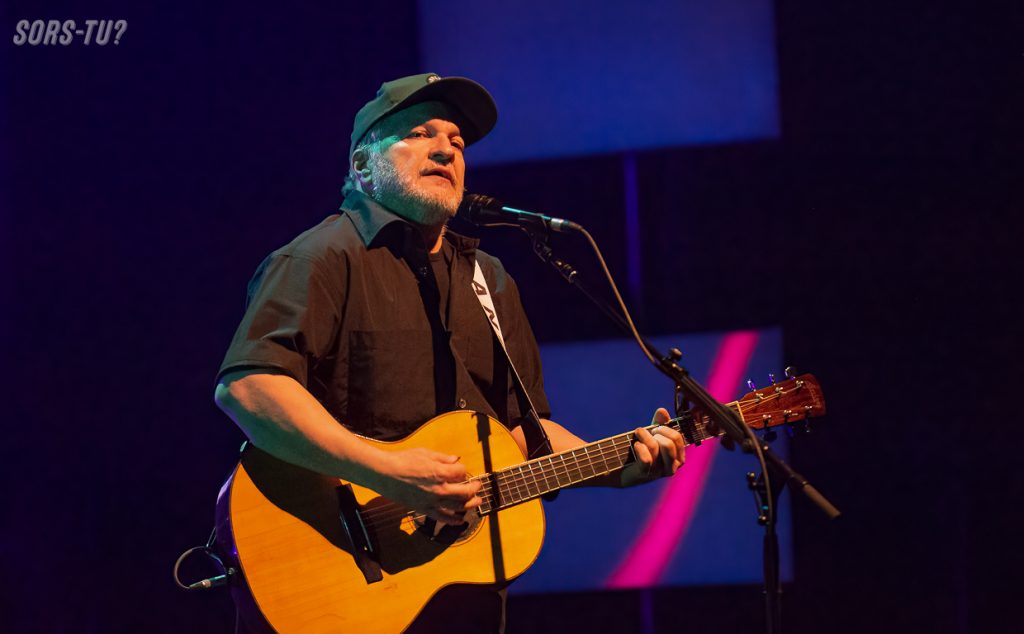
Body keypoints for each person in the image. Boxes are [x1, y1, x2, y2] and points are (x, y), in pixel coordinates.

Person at [214, 73, 685, 632]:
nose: (445, 149)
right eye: (419, 133)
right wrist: (387, 471)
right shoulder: (319, 259)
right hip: (336, 581)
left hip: (460, 595)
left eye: (457, 143)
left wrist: (617, 466)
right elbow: (248, 387)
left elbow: (521, 433)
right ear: (363, 166)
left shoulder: (491, 280)